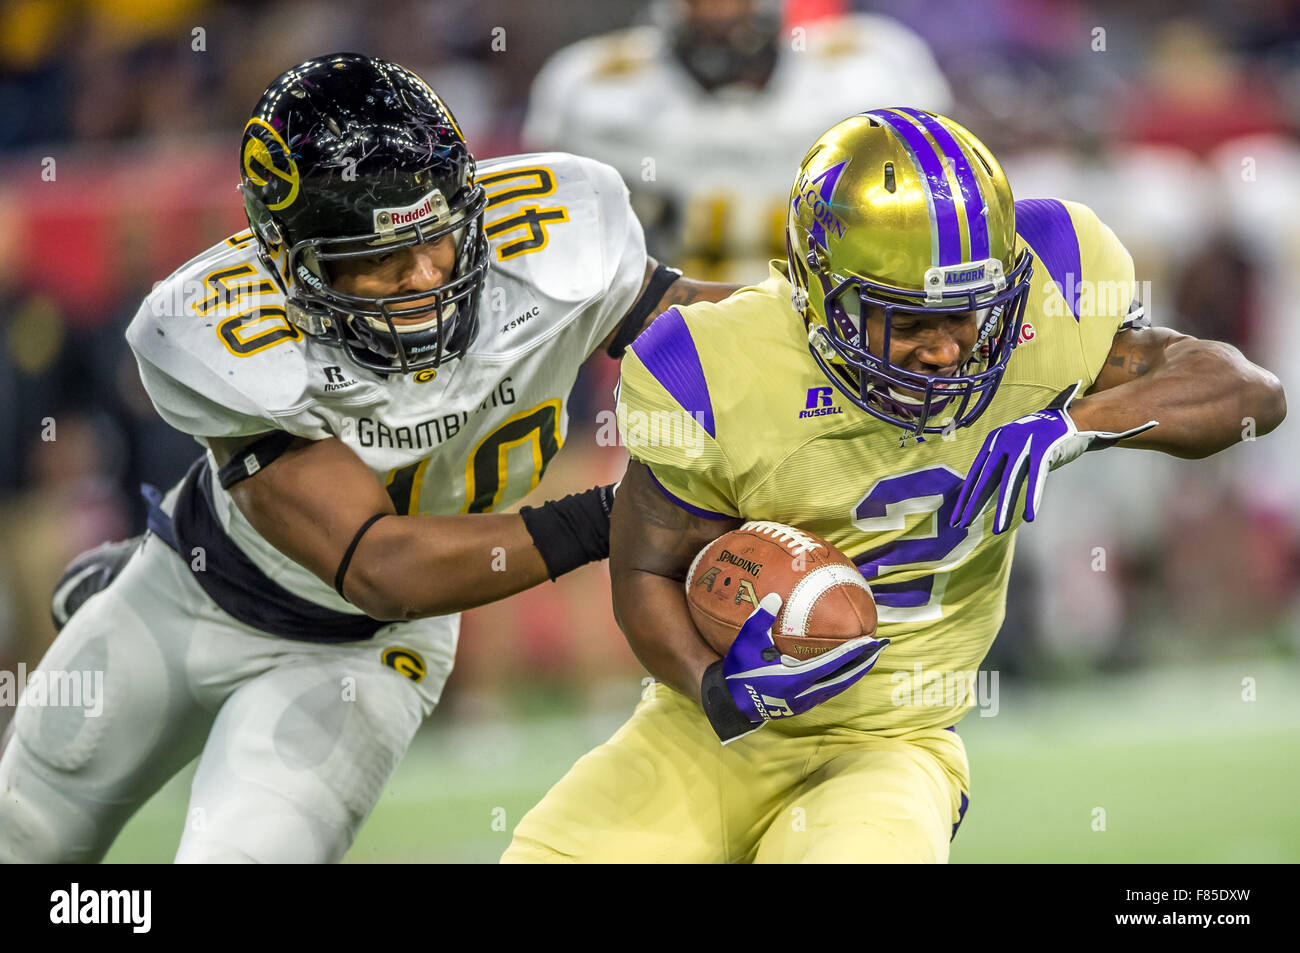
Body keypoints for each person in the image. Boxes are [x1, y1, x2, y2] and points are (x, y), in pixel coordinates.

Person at [0, 52, 736, 863]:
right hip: (189, 591)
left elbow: (718, 341)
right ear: (290, 262)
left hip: (367, 647)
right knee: (24, 835)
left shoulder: (559, 242)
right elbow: (378, 559)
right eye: (380, 258)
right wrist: (613, 516)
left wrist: (809, 341)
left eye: (438, 239)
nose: (426, 277)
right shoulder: (213, 327)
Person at [502, 108, 1287, 863]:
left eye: (969, 315)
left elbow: (1251, 393)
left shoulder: (1055, 290)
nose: (947, 351)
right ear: (823, 299)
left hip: (894, 742)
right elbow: (645, 568)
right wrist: (717, 687)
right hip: (710, 739)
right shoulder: (718, 366)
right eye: (910, 321)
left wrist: (1075, 422)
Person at [523, 0, 951, 281]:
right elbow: (556, 242)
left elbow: (942, 193)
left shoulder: (869, 67)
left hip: (842, 321)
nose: (720, 17)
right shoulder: (592, 88)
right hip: (671, 331)